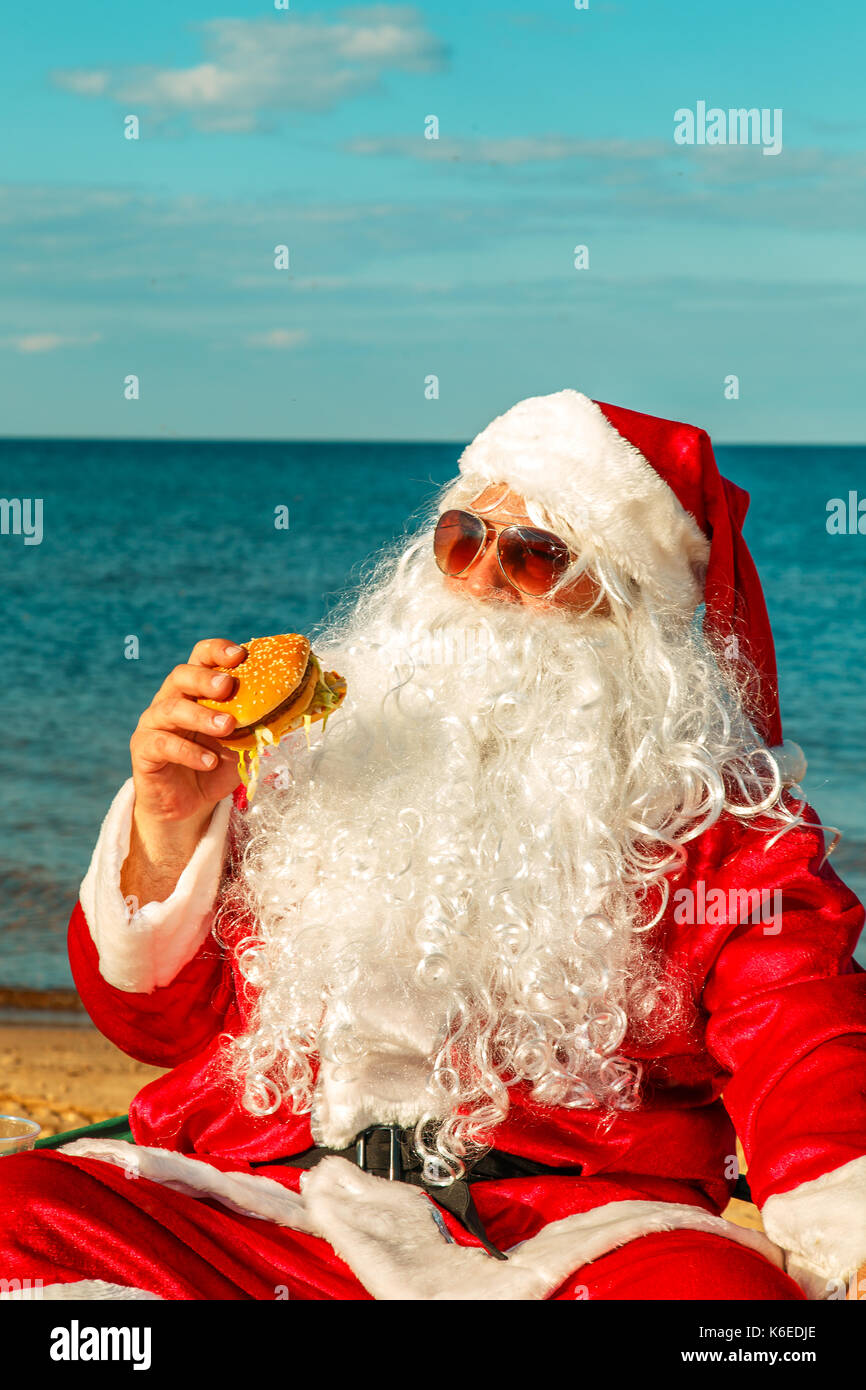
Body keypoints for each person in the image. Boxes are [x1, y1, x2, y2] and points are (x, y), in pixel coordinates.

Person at [1, 388, 864, 1301]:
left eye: (537, 556)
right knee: (21, 1212)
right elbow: (152, 1023)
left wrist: (848, 1232)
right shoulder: (307, 754)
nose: (485, 578)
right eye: (464, 539)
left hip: (572, 1244)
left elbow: (805, 1050)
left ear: (629, 608)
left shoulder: (728, 832)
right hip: (270, 1210)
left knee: (724, 1313)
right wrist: (168, 824)